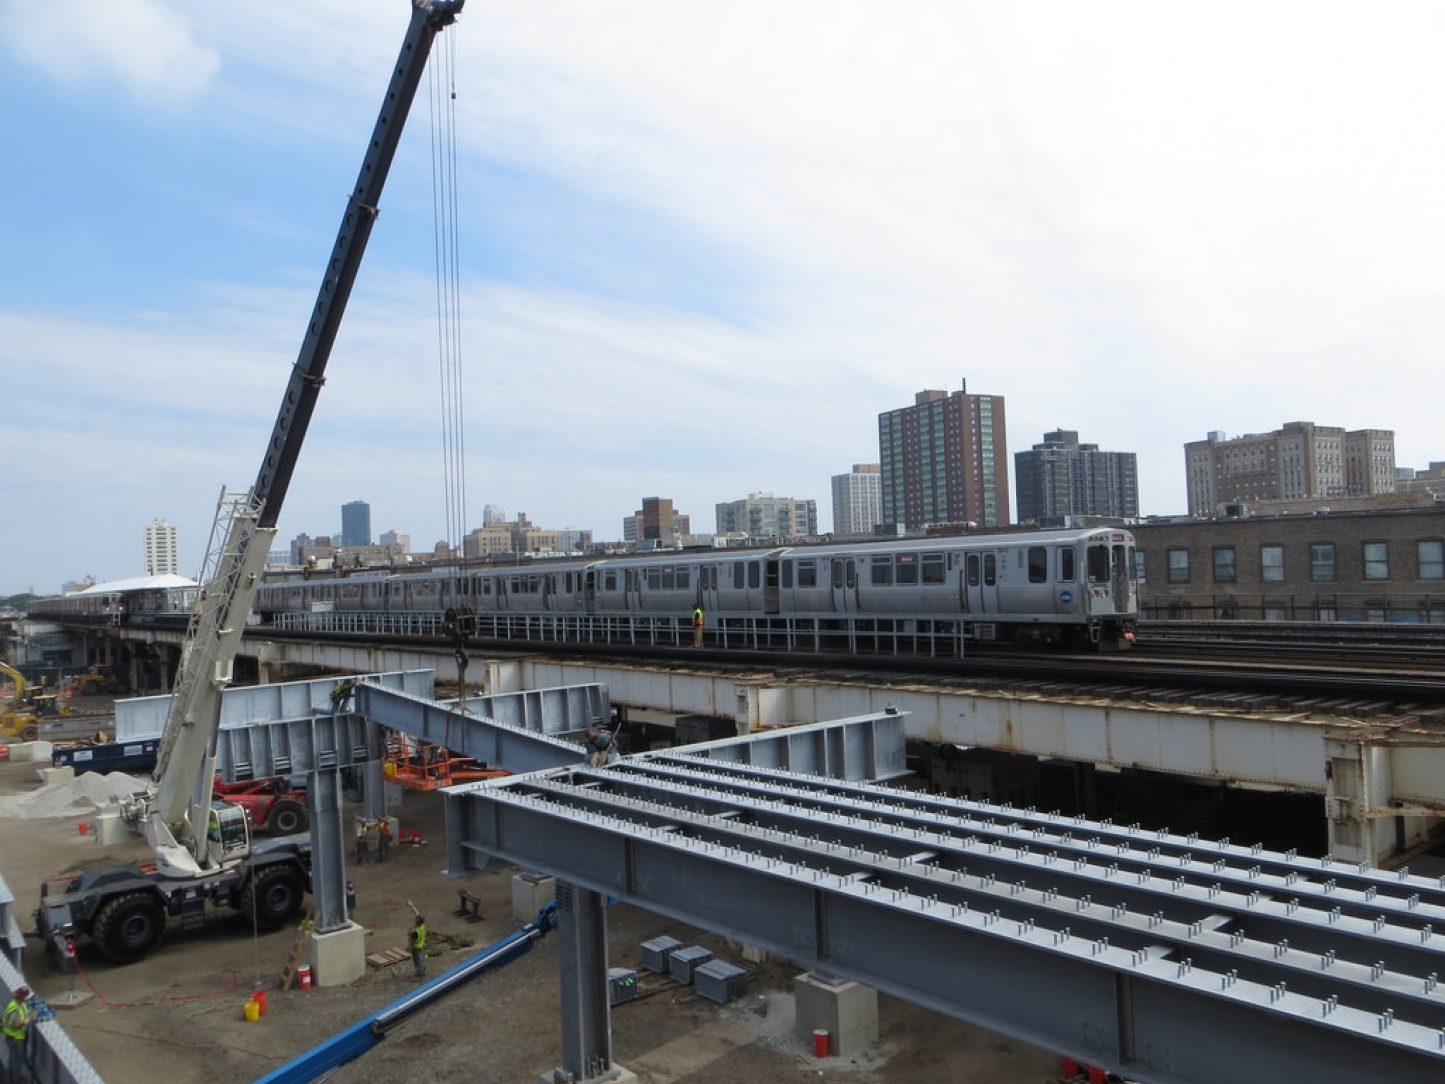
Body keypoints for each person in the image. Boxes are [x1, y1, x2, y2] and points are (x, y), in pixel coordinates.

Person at [4, 985, 31, 1084]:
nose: (25, 998)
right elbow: (15, 1024)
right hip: (15, 1039)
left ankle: (11, 1079)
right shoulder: (14, 1008)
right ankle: (17, 1081)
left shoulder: (20, 1004)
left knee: (12, 1061)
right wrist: (26, 1021)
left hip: (14, 1038)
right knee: (16, 1063)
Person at [408, 904, 428, 979]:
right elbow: (417, 913)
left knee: (417, 960)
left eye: (416, 919)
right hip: (421, 945)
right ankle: (422, 968)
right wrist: (411, 906)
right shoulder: (422, 926)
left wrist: (409, 935)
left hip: (416, 947)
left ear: (418, 922)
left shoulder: (416, 932)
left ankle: (420, 974)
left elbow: (411, 940)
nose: (415, 919)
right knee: (421, 958)